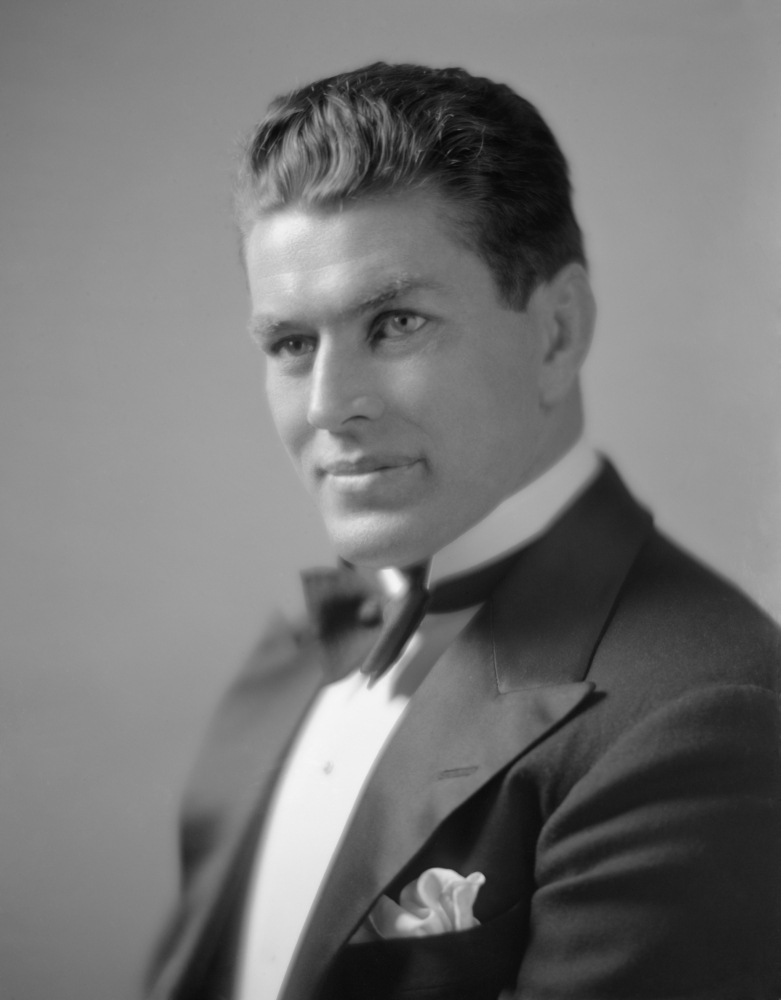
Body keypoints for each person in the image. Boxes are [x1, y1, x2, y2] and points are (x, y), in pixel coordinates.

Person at [146, 62, 781, 1000]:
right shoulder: (294, 657)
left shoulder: (702, 713)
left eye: (395, 322)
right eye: (290, 344)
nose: (328, 407)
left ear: (556, 331)